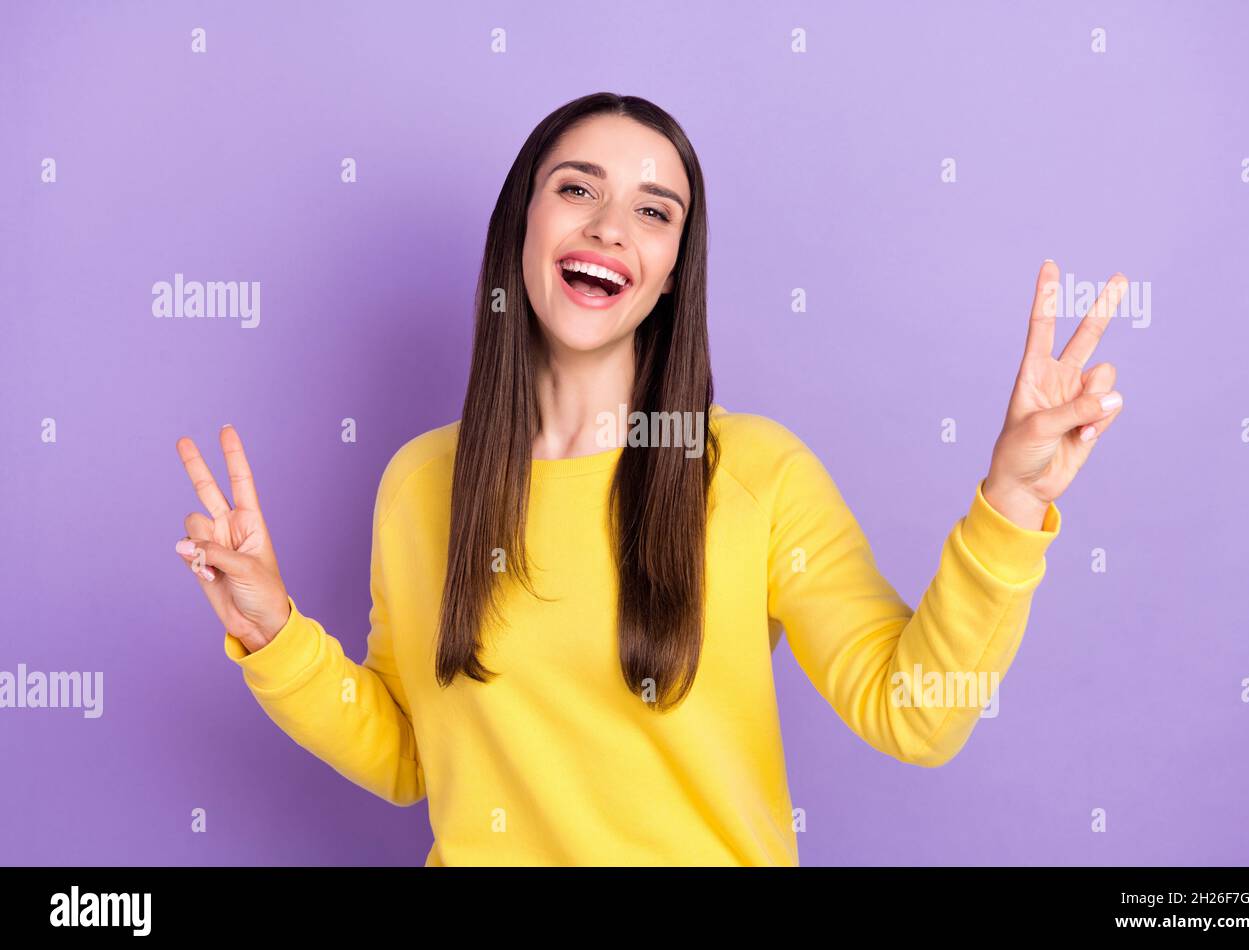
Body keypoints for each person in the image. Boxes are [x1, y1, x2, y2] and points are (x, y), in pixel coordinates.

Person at [173, 92, 1126, 866]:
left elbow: (915, 714)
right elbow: (415, 755)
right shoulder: (420, 482)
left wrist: (1011, 502)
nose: (611, 227)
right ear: (524, 226)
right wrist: (271, 631)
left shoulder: (753, 472)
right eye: (577, 189)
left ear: (672, 270)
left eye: (653, 210)